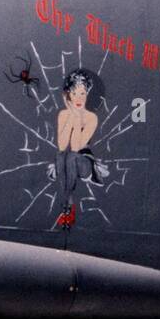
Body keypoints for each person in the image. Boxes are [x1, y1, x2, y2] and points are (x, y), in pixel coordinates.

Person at [54, 69, 101, 228]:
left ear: (87, 93)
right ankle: (69, 207)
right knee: (61, 156)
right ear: (68, 95)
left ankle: (66, 207)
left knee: (71, 156)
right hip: (67, 160)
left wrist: (75, 115)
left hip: (84, 163)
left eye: (82, 93)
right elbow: (61, 145)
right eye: (74, 94)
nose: (78, 98)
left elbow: (76, 146)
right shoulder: (62, 115)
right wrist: (71, 115)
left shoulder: (91, 118)